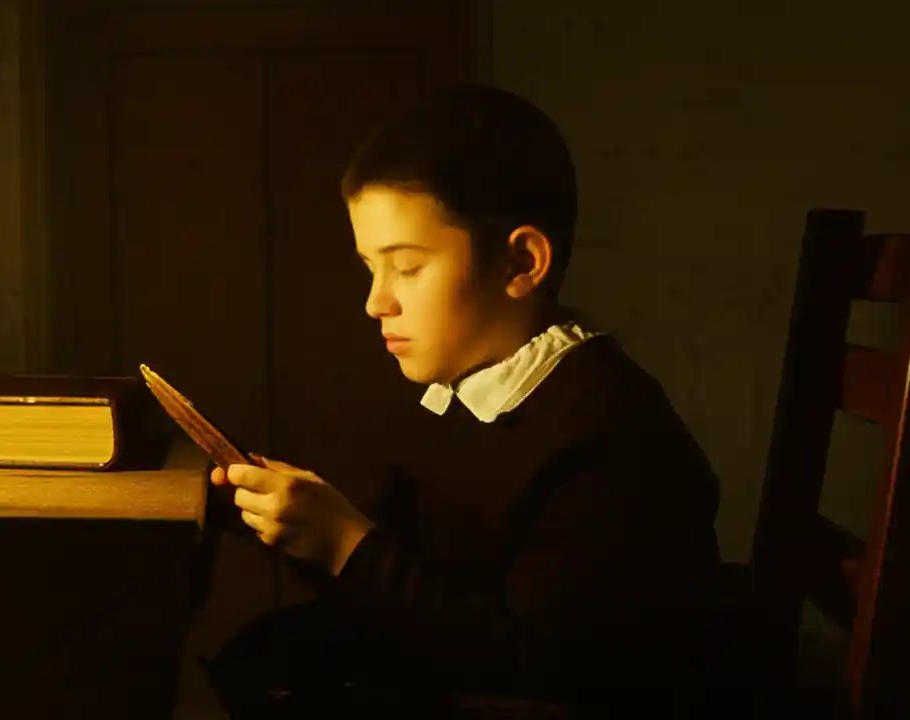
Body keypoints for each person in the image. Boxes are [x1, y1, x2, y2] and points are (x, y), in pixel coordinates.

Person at [199, 84, 724, 718]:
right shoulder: (464, 399)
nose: (376, 302)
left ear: (521, 262)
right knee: (259, 656)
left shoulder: (607, 433)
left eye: (408, 268)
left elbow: (533, 657)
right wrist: (298, 528)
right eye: (371, 267)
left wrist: (345, 545)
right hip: (460, 676)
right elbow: (411, 592)